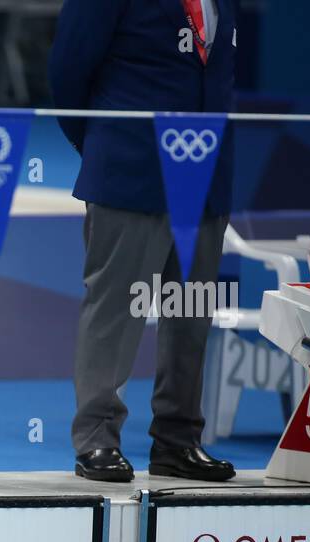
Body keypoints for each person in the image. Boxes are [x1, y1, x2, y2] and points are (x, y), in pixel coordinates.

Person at [50, 0, 237, 482]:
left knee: (191, 311)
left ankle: (178, 440)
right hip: (131, 169)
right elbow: (67, 71)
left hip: (206, 173)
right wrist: (104, 144)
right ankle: (97, 440)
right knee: (115, 312)